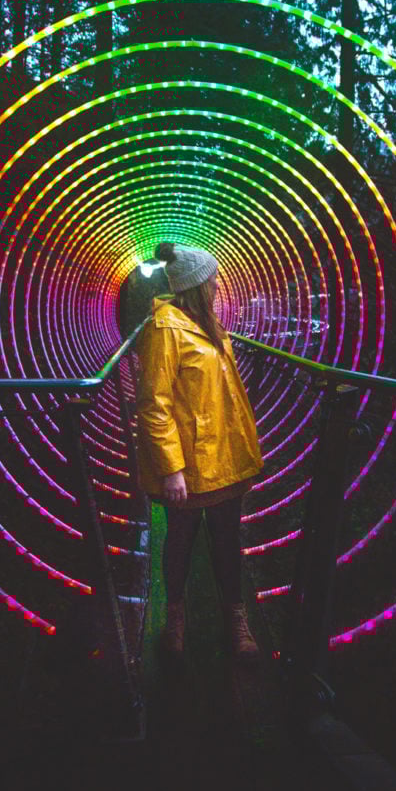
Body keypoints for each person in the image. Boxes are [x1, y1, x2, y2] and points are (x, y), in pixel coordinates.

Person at [135, 241, 264, 660]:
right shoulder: (165, 329)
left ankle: (236, 620)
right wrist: (171, 469)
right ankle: (175, 618)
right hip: (189, 464)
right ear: (195, 285)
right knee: (181, 541)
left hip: (224, 460)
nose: (216, 285)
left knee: (227, 540)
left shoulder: (212, 327)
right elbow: (154, 403)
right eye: (211, 279)